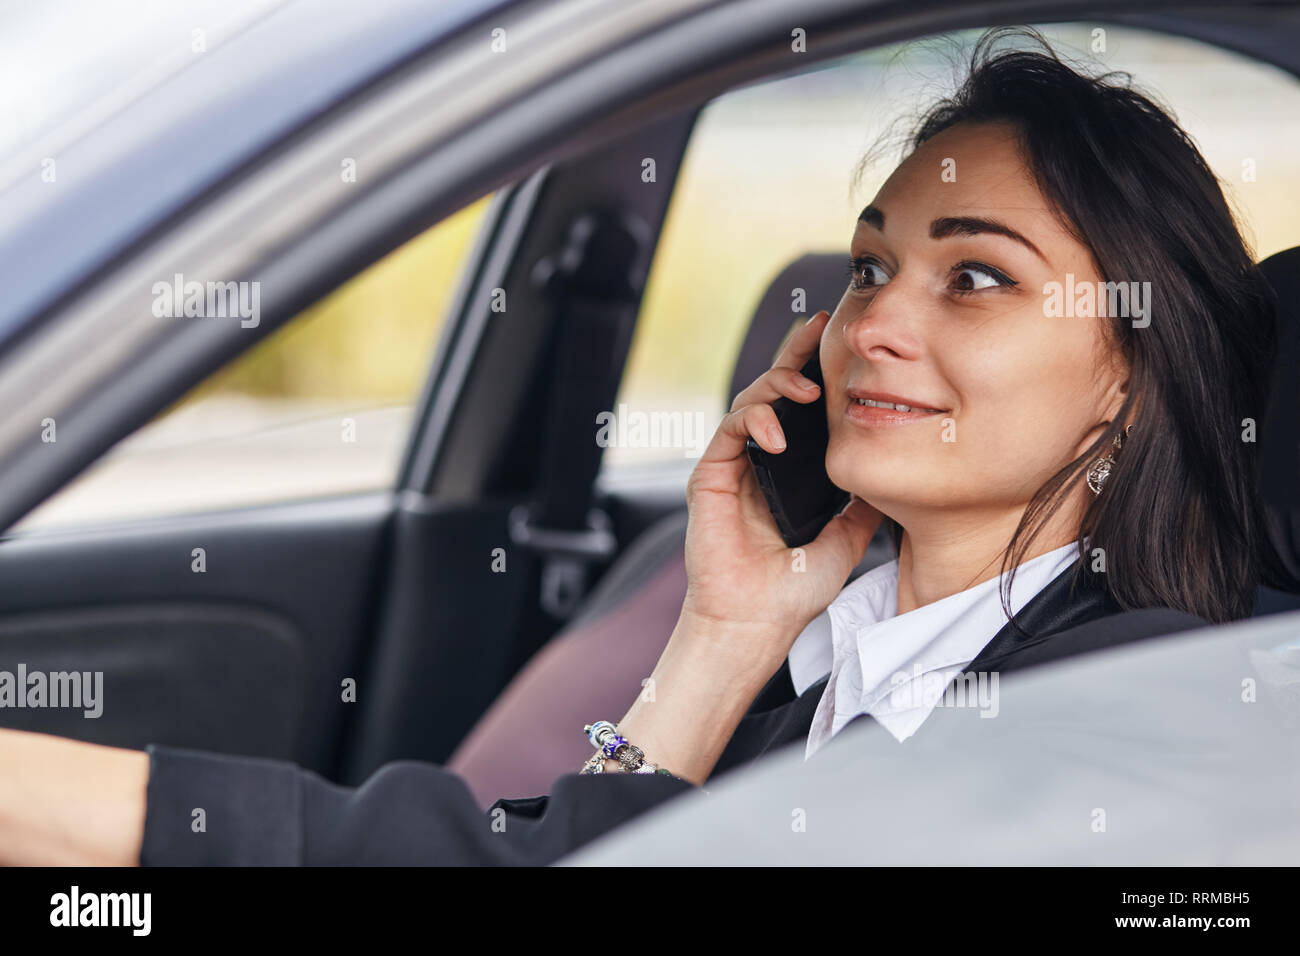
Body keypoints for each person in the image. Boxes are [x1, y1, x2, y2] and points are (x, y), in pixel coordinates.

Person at [0, 28, 1292, 866]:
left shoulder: (1137, 719)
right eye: (868, 266)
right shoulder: (840, 657)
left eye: (976, 281)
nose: (870, 324)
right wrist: (718, 640)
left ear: (1133, 369)